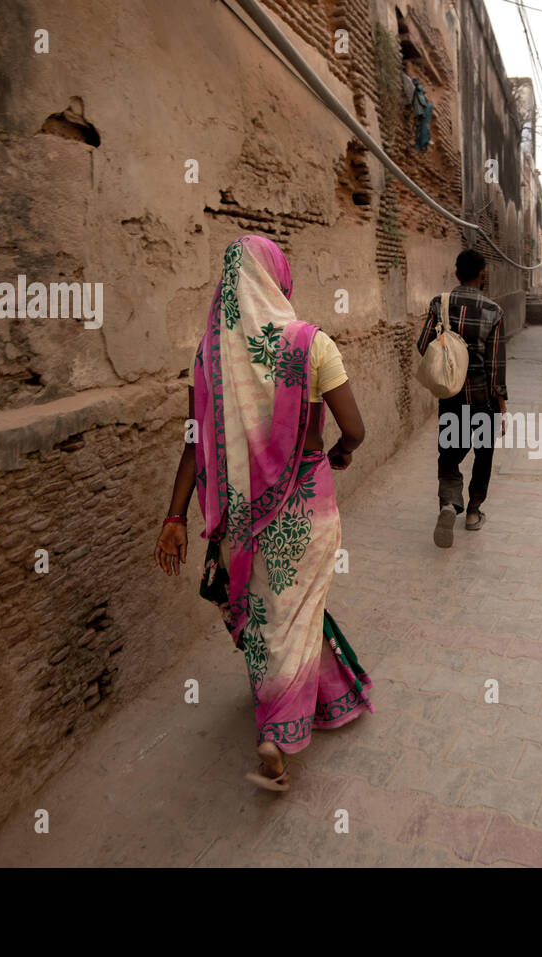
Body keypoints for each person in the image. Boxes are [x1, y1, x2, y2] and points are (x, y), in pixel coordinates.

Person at [154, 234, 373, 791]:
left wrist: (175, 516)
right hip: (306, 511)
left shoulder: (208, 355)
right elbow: (355, 431)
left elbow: (191, 440)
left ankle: (320, 697)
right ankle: (276, 736)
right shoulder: (310, 344)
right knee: (294, 612)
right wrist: (340, 455)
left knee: (273, 616)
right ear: (276, 278)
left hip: (240, 520)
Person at [417, 248, 508, 546]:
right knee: (483, 454)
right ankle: (472, 512)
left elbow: (423, 345)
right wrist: (502, 407)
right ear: (482, 274)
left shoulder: (439, 304)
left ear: (456, 273)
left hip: (451, 396)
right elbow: (496, 366)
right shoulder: (494, 311)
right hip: (483, 400)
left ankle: (448, 503)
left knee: (450, 451)